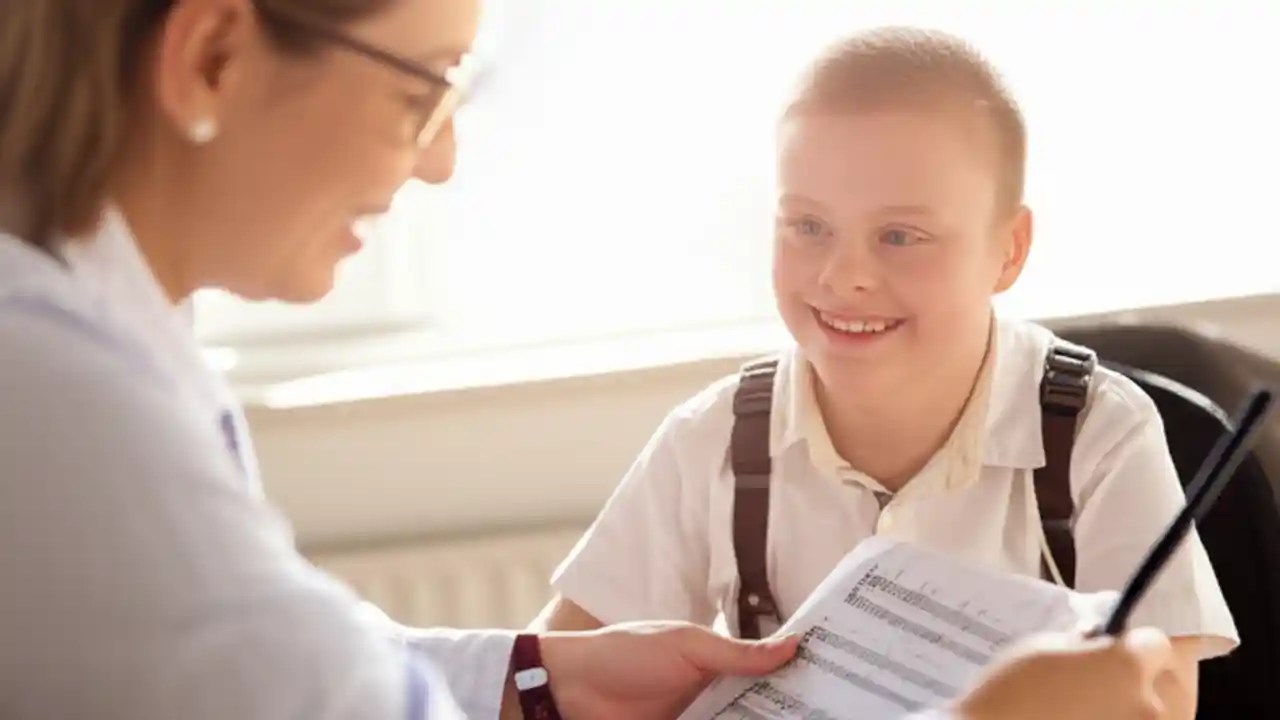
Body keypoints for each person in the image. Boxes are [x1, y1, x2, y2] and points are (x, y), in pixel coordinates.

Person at [0, 1, 1204, 718]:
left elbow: (319, 679)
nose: (441, 160)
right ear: (213, 55)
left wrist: (540, 680)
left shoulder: (100, 359)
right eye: (423, 91)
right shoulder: (61, 420)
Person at [539, 26, 1236, 719]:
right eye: (808, 226)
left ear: (1009, 249)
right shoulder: (710, 440)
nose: (844, 276)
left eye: (899, 236)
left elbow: (1163, 700)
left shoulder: (1100, 436)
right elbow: (553, 674)